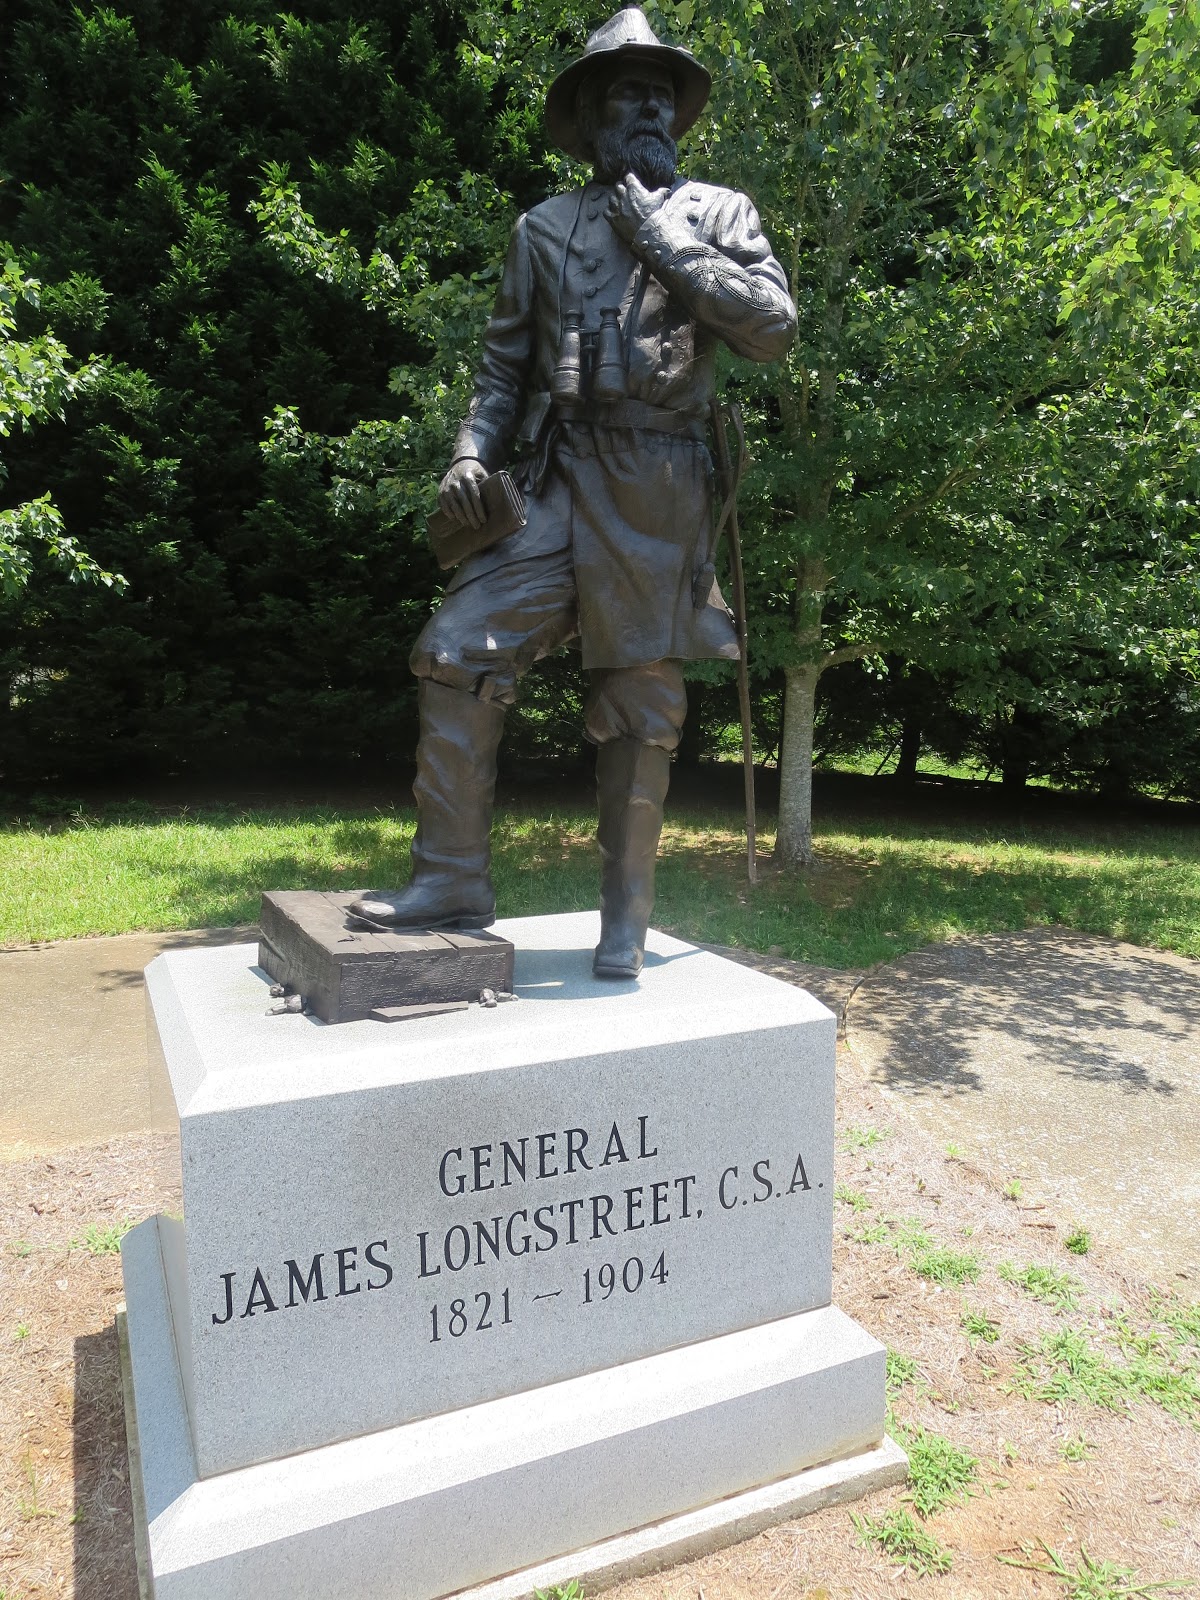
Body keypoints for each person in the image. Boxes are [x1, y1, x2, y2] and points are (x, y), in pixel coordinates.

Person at [352, 3, 796, 978]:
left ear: (675, 116)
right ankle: (453, 877)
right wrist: (470, 455)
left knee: (642, 706)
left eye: (658, 95)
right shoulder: (543, 228)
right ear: (591, 118)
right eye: (624, 95)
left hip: (661, 489)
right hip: (557, 476)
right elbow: (502, 371)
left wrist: (662, 240)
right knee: (457, 650)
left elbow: (772, 325)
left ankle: (625, 925)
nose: (645, 109)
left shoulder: (719, 214)